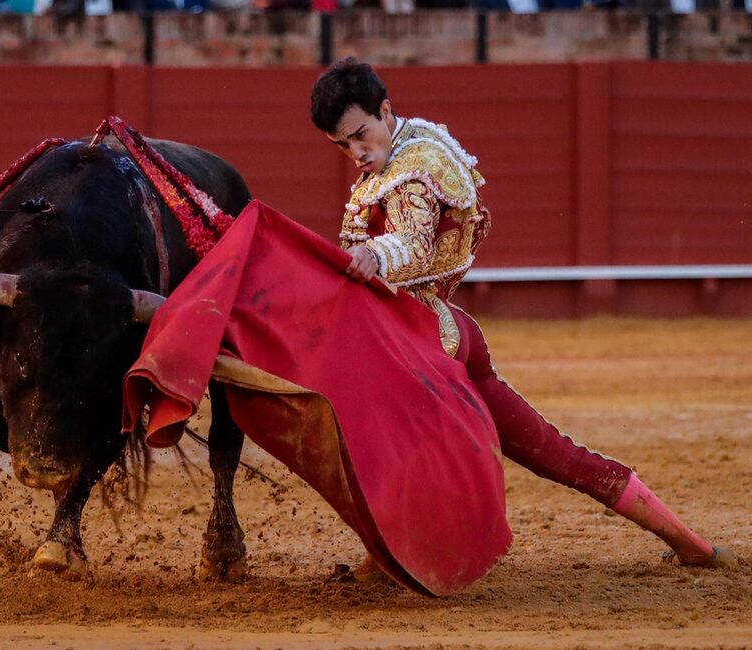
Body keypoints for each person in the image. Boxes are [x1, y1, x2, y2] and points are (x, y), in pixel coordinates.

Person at [309, 57, 735, 580]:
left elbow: (415, 245)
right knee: (553, 452)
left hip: (424, 342)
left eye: (360, 135)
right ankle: (689, 543)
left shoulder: (413, 169)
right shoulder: (412, 143)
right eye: (342, 145)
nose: (356, 153)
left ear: (385, 110)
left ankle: (390, 555)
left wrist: (380, 256)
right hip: (449, 331)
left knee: (377, 436)